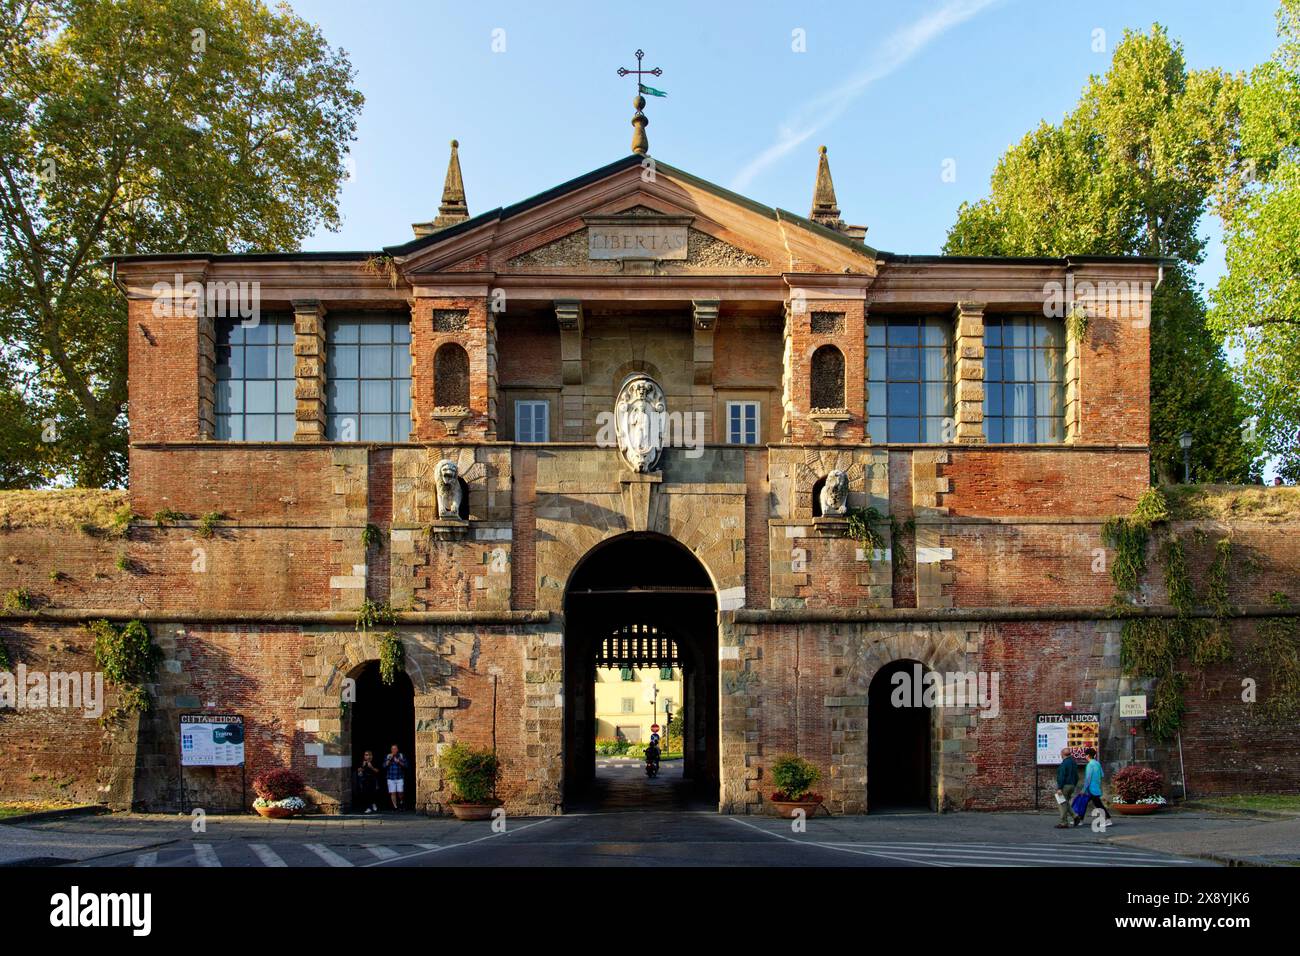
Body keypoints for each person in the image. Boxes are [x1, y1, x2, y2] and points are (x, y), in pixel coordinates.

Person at [1073, 746, 1112, 826]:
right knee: (1084, 803)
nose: (1085, 756)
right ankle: (1080, 820)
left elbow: (1088, 778)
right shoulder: (1097, 763)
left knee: (1097, 804)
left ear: (1087, 755)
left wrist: (1084, 789)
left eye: (1085, 755)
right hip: (1096, 787)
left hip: (1090, 789)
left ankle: (1108, 819)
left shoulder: (1090, 765)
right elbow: (1102, 775)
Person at [1054, 746, 1078, 829]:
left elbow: (1061, 776)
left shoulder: (1064, 763)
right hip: (1072, 785)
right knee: (1066, 802)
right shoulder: (1073, 762)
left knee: (1061, 803)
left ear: (1062, 754)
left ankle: (1064, 822)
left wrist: (1059, 788)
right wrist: (1074, 784)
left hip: (1065, 786)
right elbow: (1076, 776)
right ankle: (1075, 816)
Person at [384, 744, 408, 811]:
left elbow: (406, 766)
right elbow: (384, 766)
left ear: (397, 750)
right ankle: (395, 806)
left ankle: (401, 801)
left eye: (395, 749)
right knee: (393, 792)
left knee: (400, 792)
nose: (394, 750)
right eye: (392, 749)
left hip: (399, 777)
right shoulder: (388, 756)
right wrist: (389, 759)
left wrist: (399, 762)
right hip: (390, 777)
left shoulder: (401, 756)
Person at [356, 750, 380, 814]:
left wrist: (371, 767)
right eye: (366, 755)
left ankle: (373, 803)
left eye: (369, 755)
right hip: (364, 780)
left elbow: (377, 771)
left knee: (373, 793)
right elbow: (358, 771)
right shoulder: (363, 762)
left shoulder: (374, 762)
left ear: (372, 756)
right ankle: (368, 807)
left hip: (373, 779)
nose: (368, 756)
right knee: (366, 794)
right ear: (364, 756)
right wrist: (363, 766)